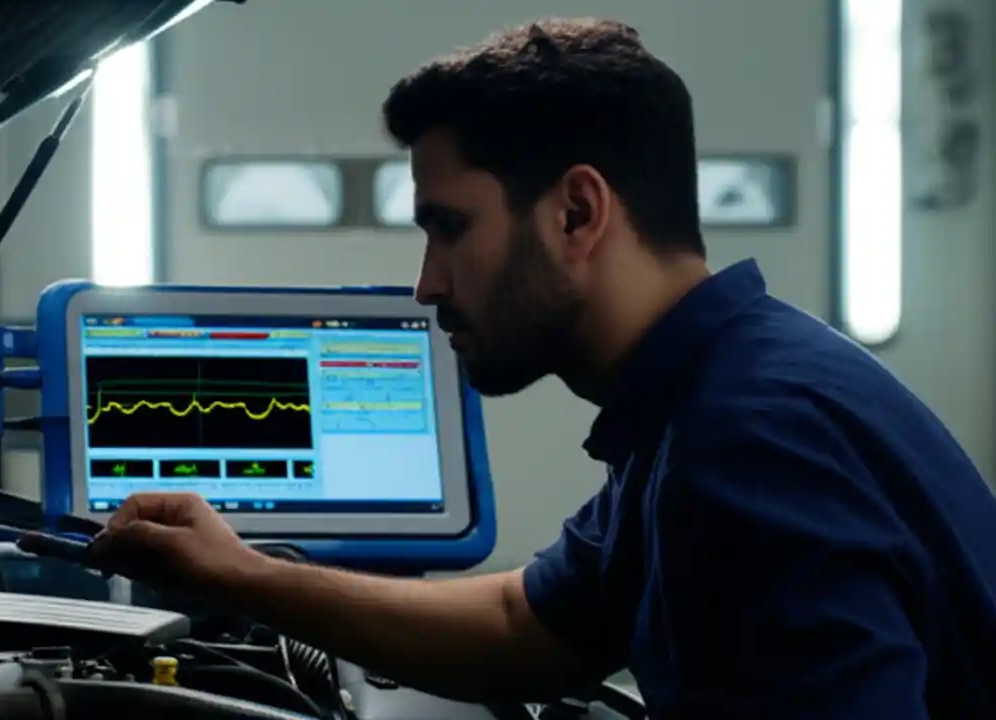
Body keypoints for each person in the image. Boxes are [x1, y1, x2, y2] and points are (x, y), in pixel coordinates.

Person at [88, 18, 996, 718]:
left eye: (450, 227)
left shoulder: (749, 446)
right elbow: (527, 624)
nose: (427, 284)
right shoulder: (714, 391)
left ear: (575, 213)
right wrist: (239, 574)